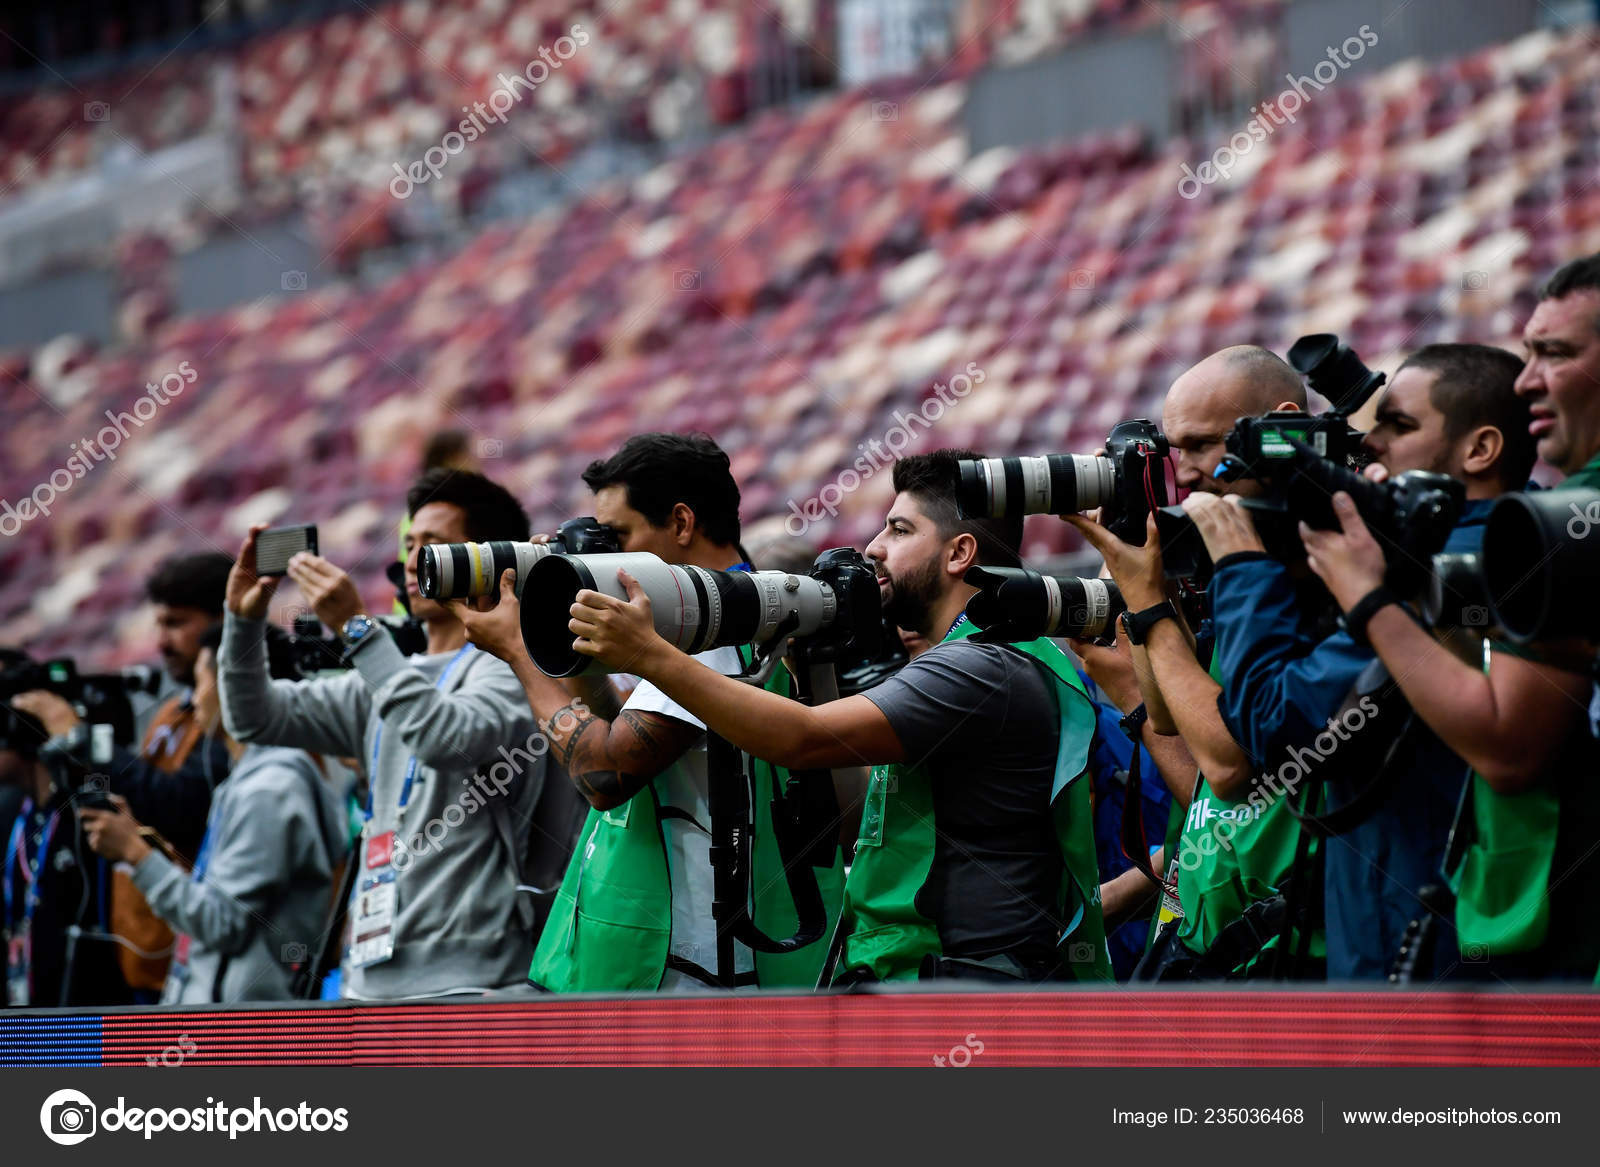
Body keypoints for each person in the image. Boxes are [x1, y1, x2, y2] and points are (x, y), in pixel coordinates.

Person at [545, 448, 1111, 985]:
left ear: (960, 553)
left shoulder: (982, 666)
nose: (872, 549)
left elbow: (803, 740)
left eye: (900, 530)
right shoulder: (980, 656)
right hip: (931, 969)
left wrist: (648, 653)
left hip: (967, 981)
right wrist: (814, 671)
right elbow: (849, 822)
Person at [1186, 343, 1535, 981]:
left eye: (1399, 426)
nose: (1369, 444)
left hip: (1432, 967)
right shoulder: (1479, 555)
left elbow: (1275, 725)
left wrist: (1240, 566)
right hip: (1420, 945)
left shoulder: (1447, 578)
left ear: (1479, 450)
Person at [454, 433, 846, 991]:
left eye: (618, 537)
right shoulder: (743, 610)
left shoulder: (713, 637)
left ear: (681, 524)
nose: (606, 554)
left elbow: (606, 773)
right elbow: (620, 728)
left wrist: (519, 652)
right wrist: (561, 634)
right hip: (685, 950)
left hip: (684, 964)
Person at [1302, 256, 1600, 980]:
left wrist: (1367, 595)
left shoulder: (1558, 524)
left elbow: (1508, 744)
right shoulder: (1562, 512)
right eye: (1528, 353)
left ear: (1480, 449)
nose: (1528, 377)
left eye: (1556, 354)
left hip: (1533, 950)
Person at [218, 468, 545, 999]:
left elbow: (446, 739)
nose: (412, 561)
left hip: (473, 988)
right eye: (410, 543)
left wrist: (356, 629)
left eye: (434, 544)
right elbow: (254, 717)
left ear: (487, 558)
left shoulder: (511, 666)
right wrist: (241, 621)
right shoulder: (385, 673)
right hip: (367, 982)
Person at [1070, 345, 1315, 978]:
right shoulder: (1231, 555)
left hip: (1291, 951)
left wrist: (1151, 605)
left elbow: (1229, 763)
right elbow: (1168, 714)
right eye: (1178, 451)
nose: (1189, 473)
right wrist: (1143, 586)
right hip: (1217, 935)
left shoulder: (1318, 559)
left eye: (1204, 445)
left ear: (1283, 424)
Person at [78, 623, 346, 1003]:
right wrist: (142, 844)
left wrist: (135, 856)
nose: (192, 701)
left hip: (242, 1035)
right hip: (225, 1021)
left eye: (201, 683)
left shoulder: (270, 788)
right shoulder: (247, 782)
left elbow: (223, 924)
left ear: (235, 685)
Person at [12, 550, 236, 997]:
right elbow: (134, 796)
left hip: (198, 952)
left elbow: (180, 806)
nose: (162, 641)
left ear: (220, 626)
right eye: (159, 624)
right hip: (150, 958)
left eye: (176, 623)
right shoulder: (172, 712)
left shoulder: (234, 719)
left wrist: (76, 736)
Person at [2, 704, 129, 1006]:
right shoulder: (14, 811)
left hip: (75, 1006)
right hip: (21, 996)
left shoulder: (80, 820)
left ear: (25, 746)